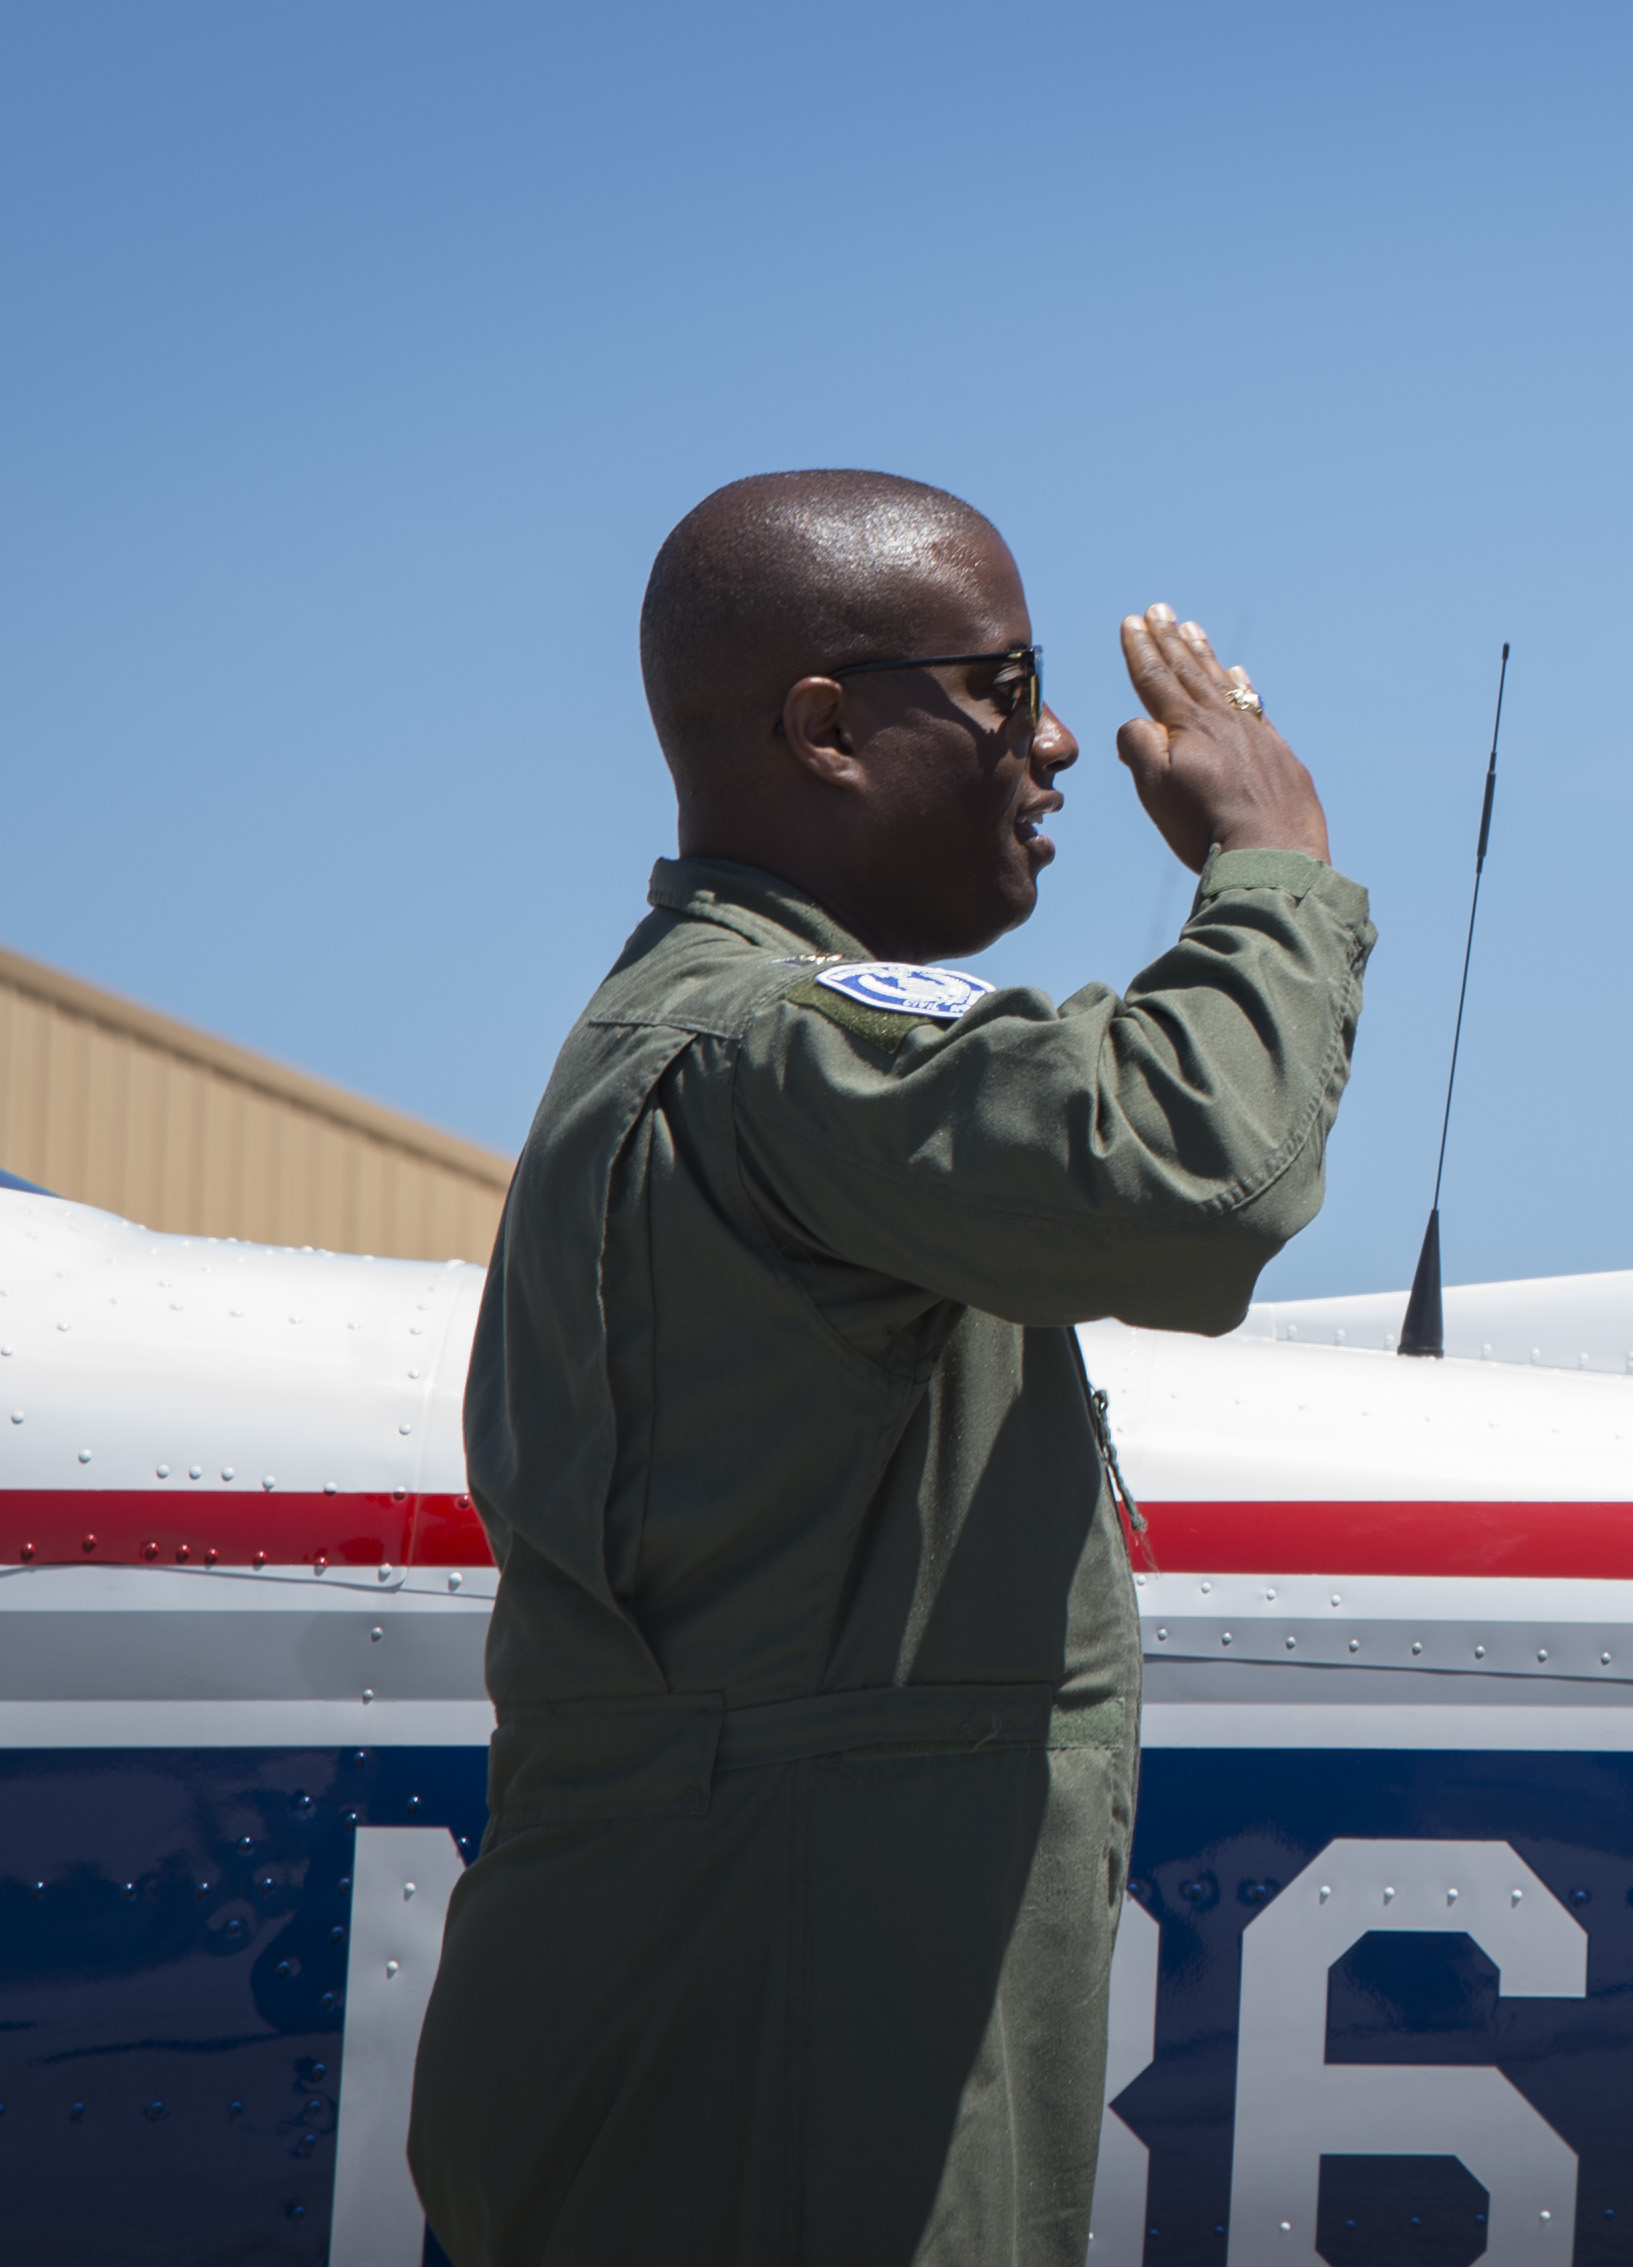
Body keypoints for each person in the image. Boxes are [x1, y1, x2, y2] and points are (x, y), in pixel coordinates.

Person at [410, 470, 1371, 2265]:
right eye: (1001, 686)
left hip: (733, 2062)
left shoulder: (727, 1036)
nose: (1063, 740)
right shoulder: (777, 1047)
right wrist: (1273, 876)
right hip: (767, 2094)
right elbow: (1187, 1177)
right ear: (826, 727)